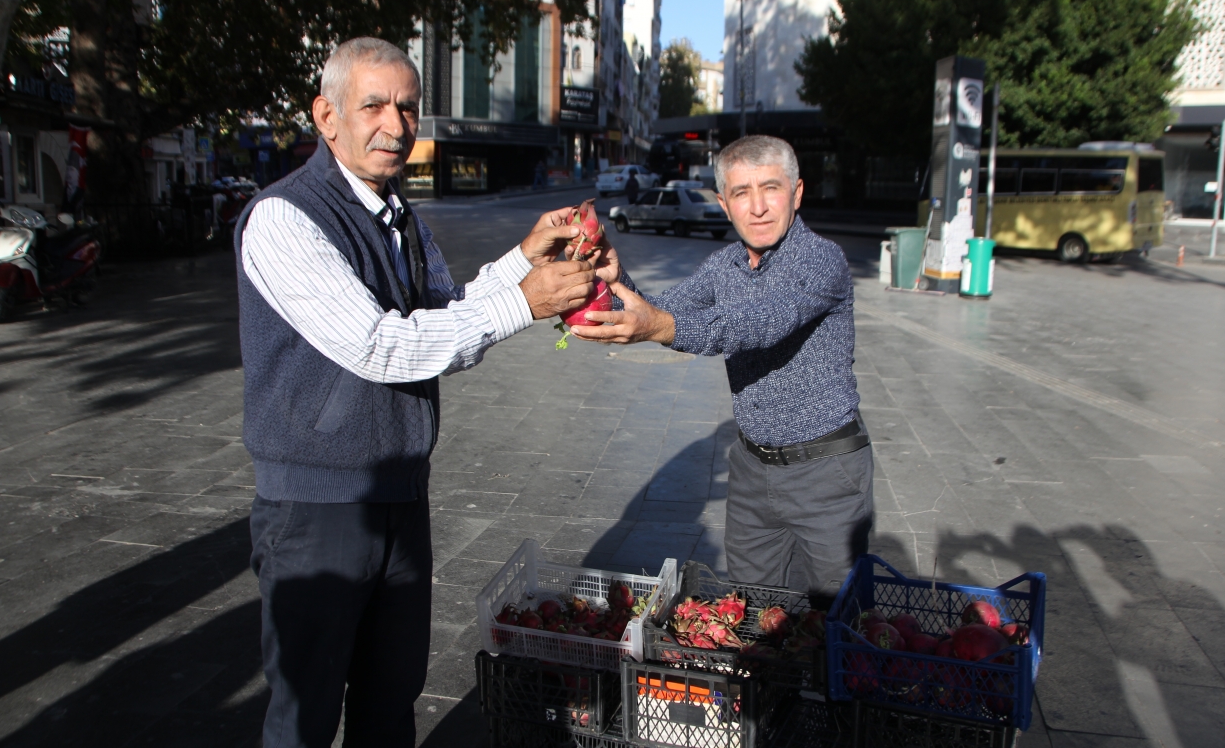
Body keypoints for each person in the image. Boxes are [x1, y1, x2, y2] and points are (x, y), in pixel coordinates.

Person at [235, 37, 595, 747]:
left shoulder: (401, 219)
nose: (396, 126)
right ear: (326, 115)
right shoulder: (283, 218)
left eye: (408, 107)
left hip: (402, 496)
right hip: (315, 511)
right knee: (302, 718)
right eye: (374, 105)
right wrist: (524, 301)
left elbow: (443, 312)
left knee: (389, 702)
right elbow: (379, 343)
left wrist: (526, 257)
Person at [575, 135, 873, 600]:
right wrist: (615, 280)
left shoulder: (821, 259)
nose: (757, 207)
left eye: (770, 188)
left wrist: (659, 327)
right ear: (723, 204)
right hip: (753, 471)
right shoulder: (725, 266)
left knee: (839, 618)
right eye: (741, 193)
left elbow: (757, 322)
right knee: (757, 611)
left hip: (827, 473)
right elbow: (662, 308)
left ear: (796, 192)